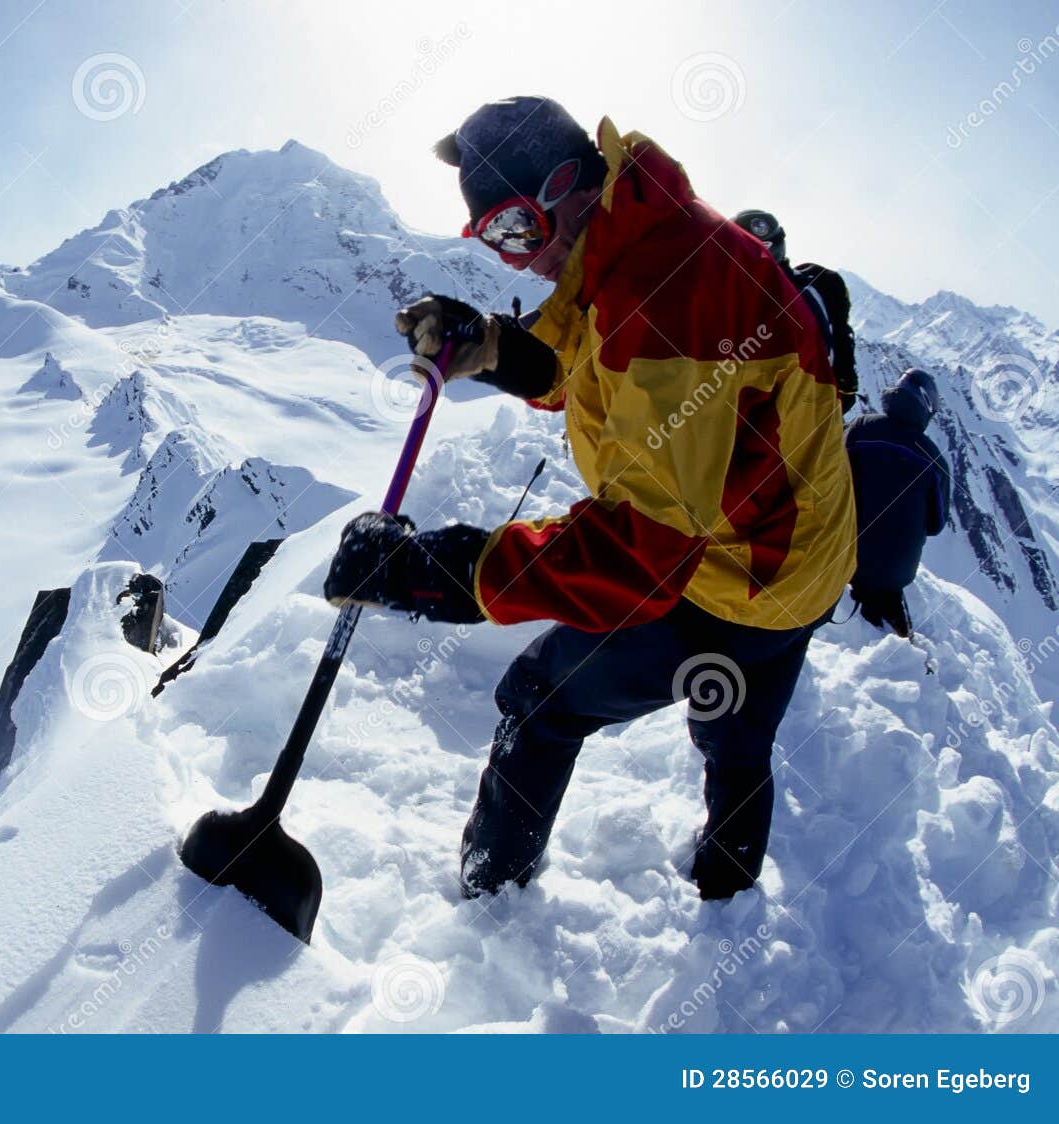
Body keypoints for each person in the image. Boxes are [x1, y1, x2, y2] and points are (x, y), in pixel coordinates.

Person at [324, 96, 856, 901]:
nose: (512, 260)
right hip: (800, 565)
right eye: (488, 240)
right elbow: (584, 367)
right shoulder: (627, 243)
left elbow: (639, 556)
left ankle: (489, 901)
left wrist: (430, 570)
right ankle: (726, 888)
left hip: (722, 579)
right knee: (736, 735)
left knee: (541, 700)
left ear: (568, 182)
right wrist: (489, 347)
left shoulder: (670, 287)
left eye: (513, 229)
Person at [844, 368, 951, 635]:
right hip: (893, 574)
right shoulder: (934, 459)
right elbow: (935, 525)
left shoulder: (859, 428)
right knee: (890, 617)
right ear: (927, 406)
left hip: (842, 555)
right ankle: (903, 648)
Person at [733, 209, 858, 414]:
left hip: (806, 409)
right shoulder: (726, 300)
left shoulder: (821, 285)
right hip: (759, 415)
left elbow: (840, 338)